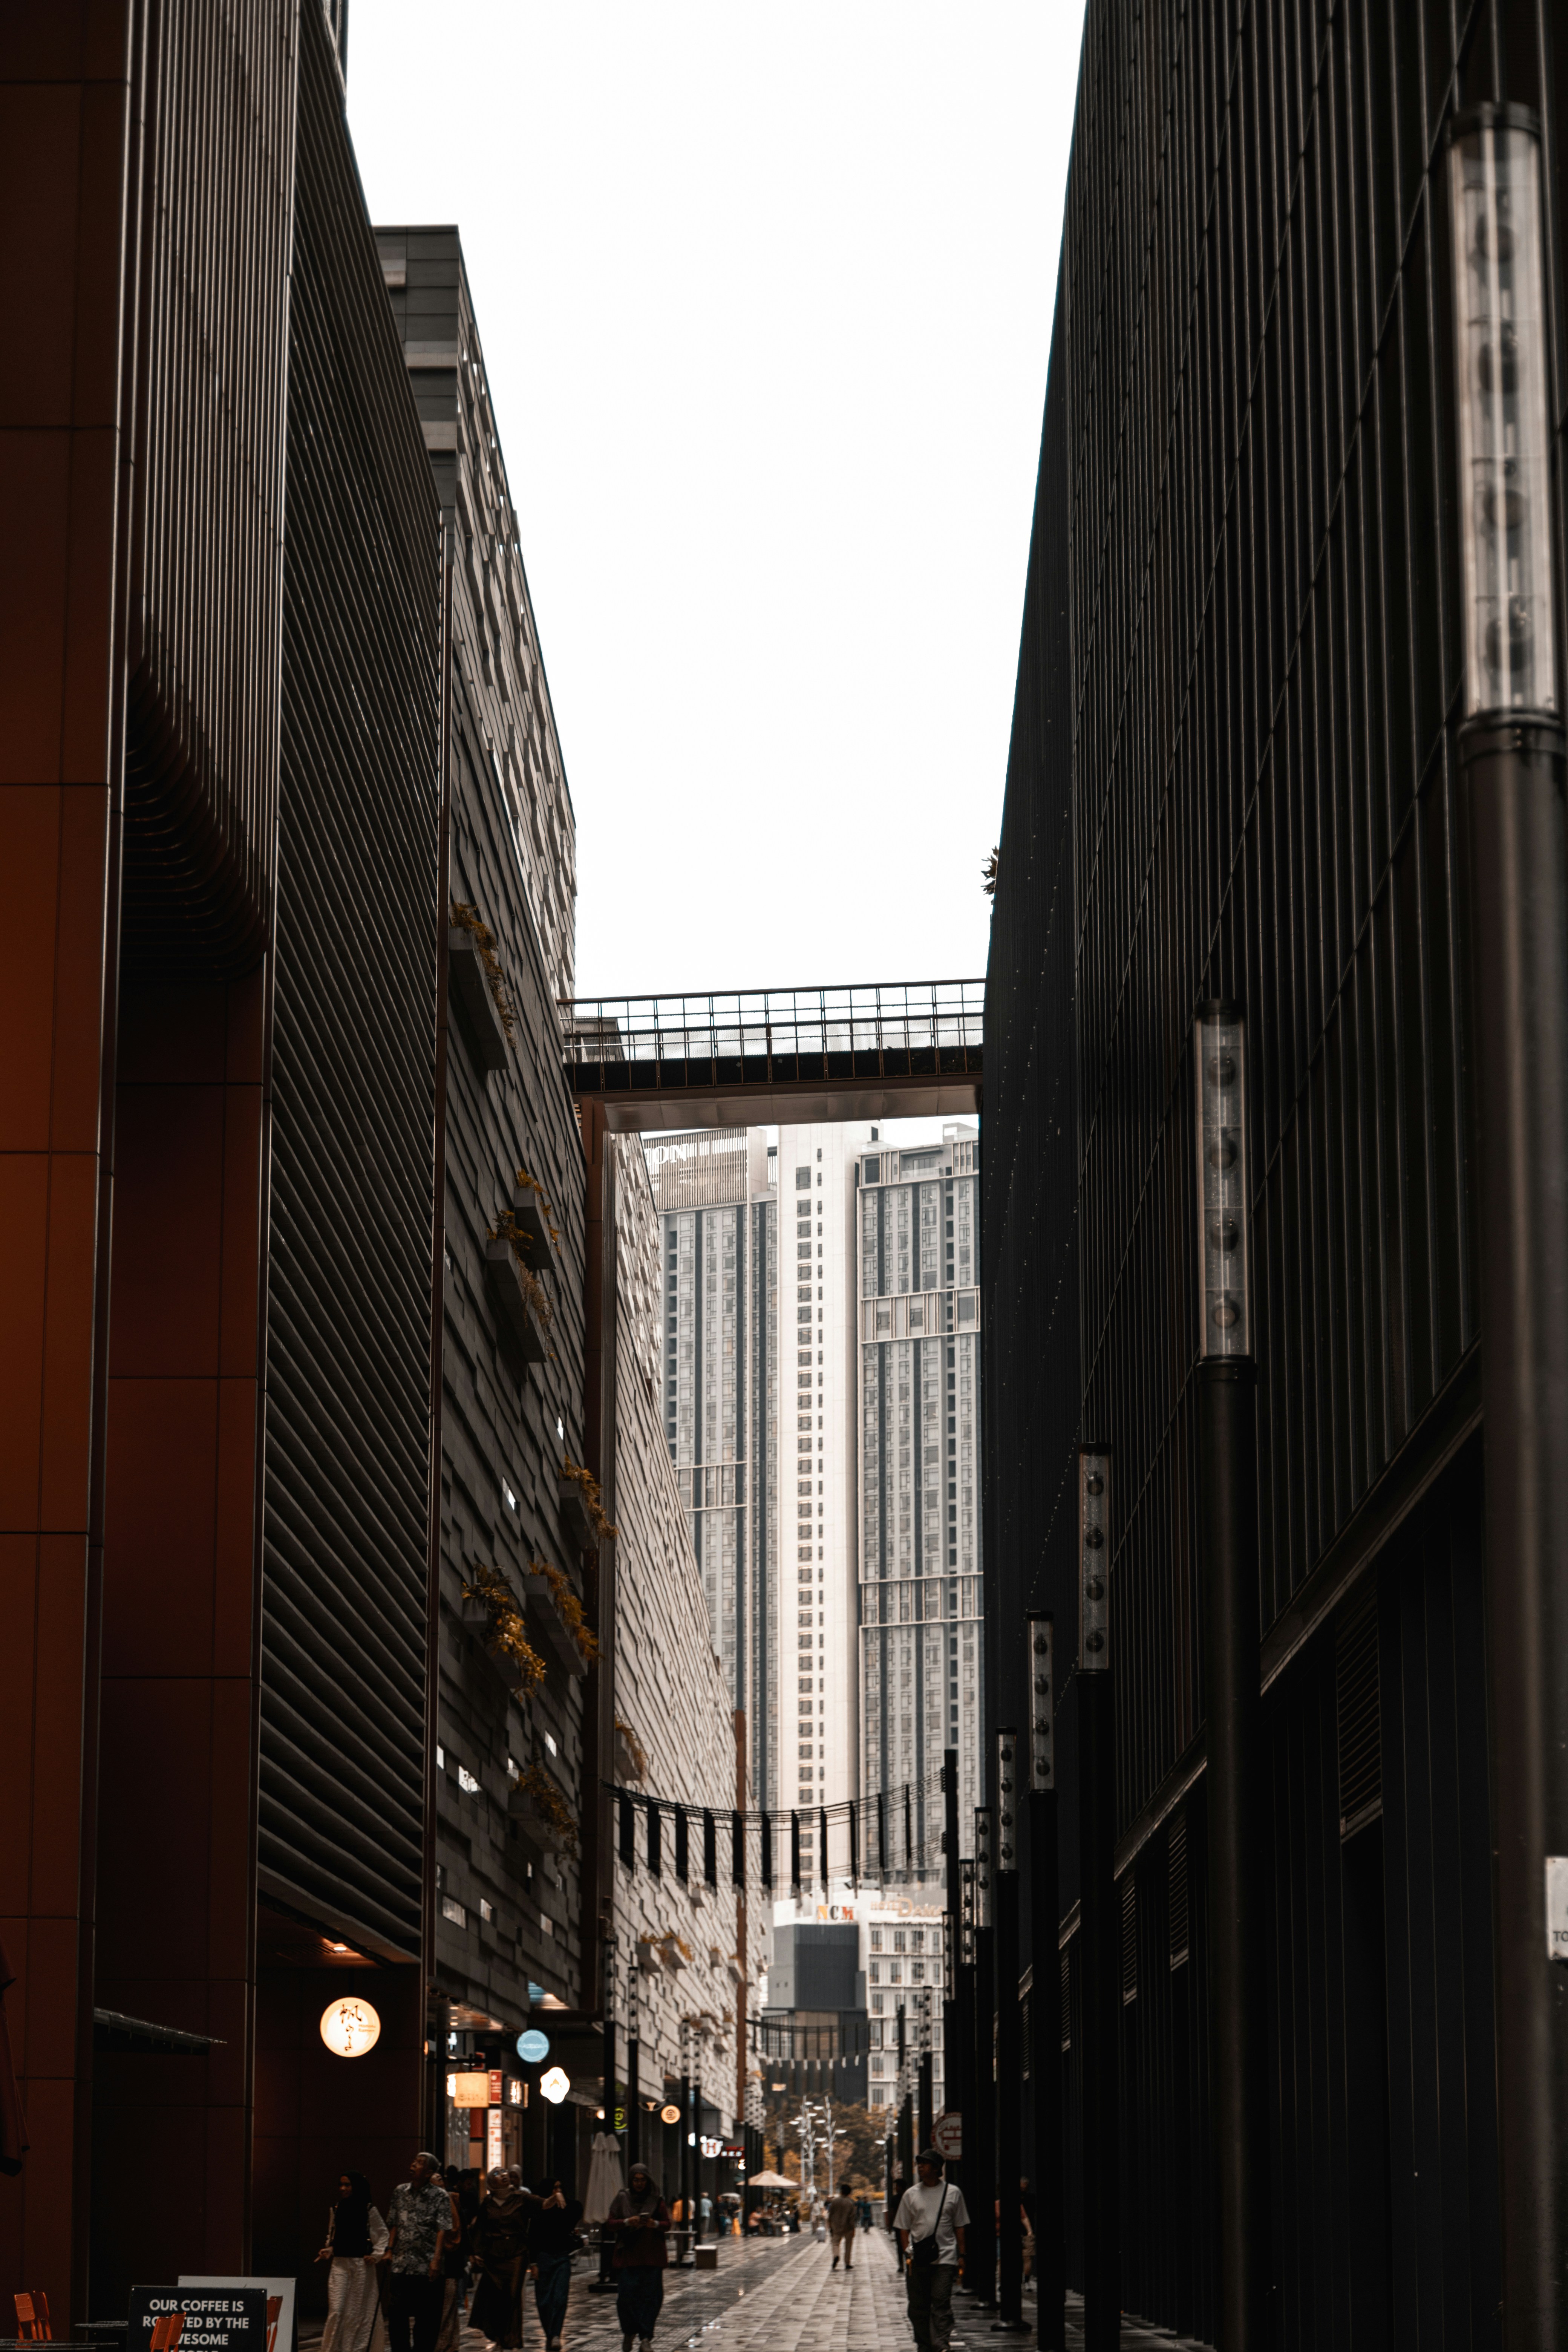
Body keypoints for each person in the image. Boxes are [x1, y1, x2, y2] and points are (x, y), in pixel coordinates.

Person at [381, 2152, 458, 2352]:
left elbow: (443, 2228)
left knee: (427, 2318)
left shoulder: (440, 2196)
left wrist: (436, 2260)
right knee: (397, 2315)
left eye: (420, 2163)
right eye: (414, 2161)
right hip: (401, 2263)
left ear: (430, 2172)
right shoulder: (400, 2192)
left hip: (427, 2266)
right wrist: (389, 2249)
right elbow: (395, 2222)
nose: (414, 2165)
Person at [894, 2149, 969, 2352]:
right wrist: (907, 2252)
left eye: (925, 2164)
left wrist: (962, 2255)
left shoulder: (953, 2193)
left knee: (941, 2301)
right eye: (919, 2164)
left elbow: (960, 2226)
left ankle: (942, 2343)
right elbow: (903, 2227)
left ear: (937, 2169)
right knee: (918, 2306)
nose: (920, 2167)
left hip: (945, 2258)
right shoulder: (911, 2195)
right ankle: (925, 2344)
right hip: (919, 2259)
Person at [317, 2171, 387, 2352]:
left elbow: (382, 2234)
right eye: (341, 2185)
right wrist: (329, 2250)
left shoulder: (368, 2209)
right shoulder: (336, 2209)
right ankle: (332, 2349)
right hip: (340, 2264)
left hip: (361, 2266)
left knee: (356, 2312)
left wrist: (377, 2254)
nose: (343, 2189)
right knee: (337, 2310)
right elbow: (334, 2236)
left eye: (348, 2185)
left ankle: (355, 2349)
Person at [605, 2160, 671, 2352]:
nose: (639, 2184)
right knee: (626, 2299)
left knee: (651, 2299)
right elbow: (610, 2223)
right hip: (629, 2257)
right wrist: (627, 2222)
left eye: (643, 2180)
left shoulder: (656, 2200)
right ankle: (629, 2332)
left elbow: (667, 2224)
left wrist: (654, 2224)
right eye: (636, 2180)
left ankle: (645, 2338)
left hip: (652, 2256)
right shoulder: (622, 2198)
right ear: (631, 2181)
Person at [469, 2165, 533, 2349]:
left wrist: (555, 2198)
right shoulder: (488, 2203)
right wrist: (476, 2252)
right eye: (498, 2174)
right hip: (494, 2255)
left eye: (505, 2173)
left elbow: (541, 2206)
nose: (504, 2175)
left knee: (512, 2297)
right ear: (490, 2183)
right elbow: (481, 2229)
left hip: (517, 2254)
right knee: (495, 2298)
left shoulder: (521, 2198)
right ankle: (498, 2337)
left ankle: (510, 2340)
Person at [528, 2176, 583, 2352]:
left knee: (560, 2297)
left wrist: (562, 2201)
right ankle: (550, 2334)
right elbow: (533, 2237)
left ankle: (556, 2335)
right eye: (554, 2188)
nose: (557, 2191)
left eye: (560, 2187)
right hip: (543, 2258)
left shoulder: (566, 2208)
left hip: (561, 2257)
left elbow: (577, 2210)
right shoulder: (538, 2211)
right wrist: (533, 2263)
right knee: (544, 2301)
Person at [826, 2185, 858, 2272]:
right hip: (847, 2227)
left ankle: (836, 2255)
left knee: (835, 2243)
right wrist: (853, 2228)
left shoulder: (834, 2202)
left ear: (841, 2191)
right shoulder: (850, 2203)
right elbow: (852, 2217)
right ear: (849, 2193)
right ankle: (847, 2263)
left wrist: (830, 2225)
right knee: (848, 2246)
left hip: (836, 2227)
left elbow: (830, 2214)